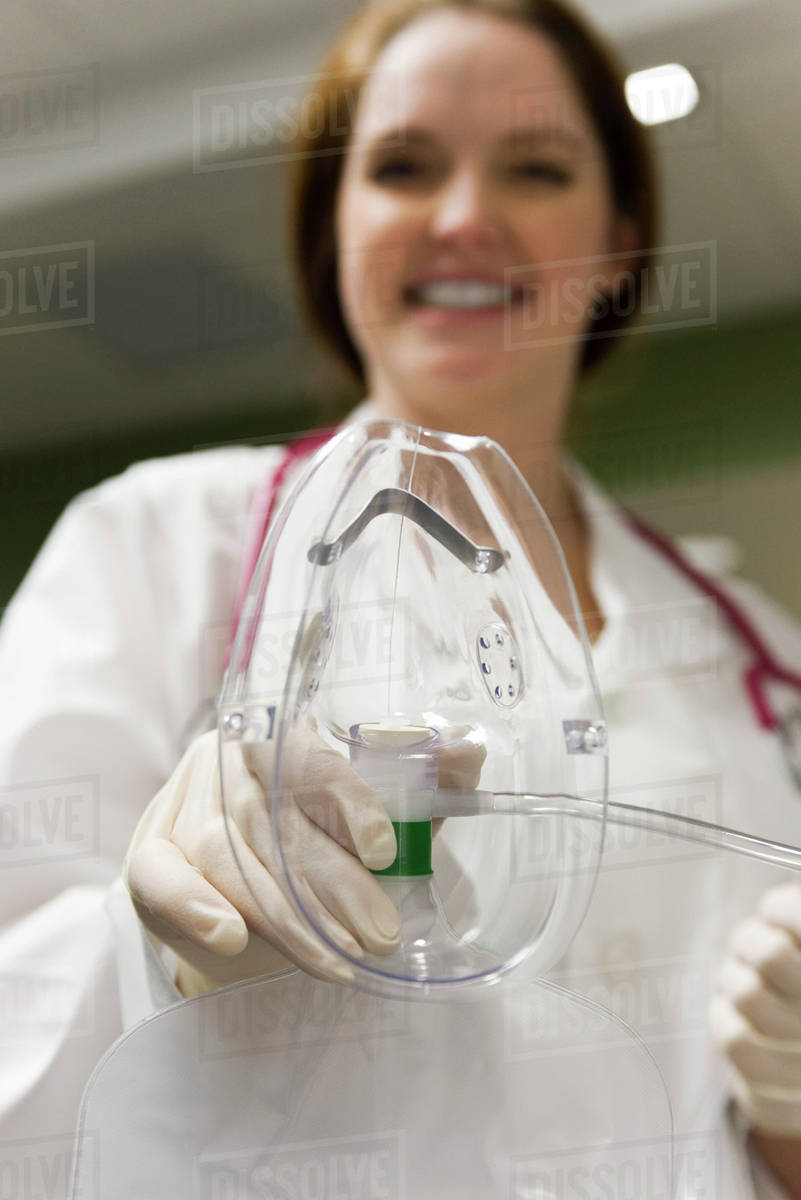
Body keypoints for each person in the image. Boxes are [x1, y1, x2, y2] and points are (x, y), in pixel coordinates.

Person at [1, 1, 801, 1196]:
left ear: (623, 243)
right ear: (335, 233)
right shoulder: (153, 548)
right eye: (402, 166)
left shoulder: (765, 661)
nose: (465, 217)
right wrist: (164, 952)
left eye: (536, 168)